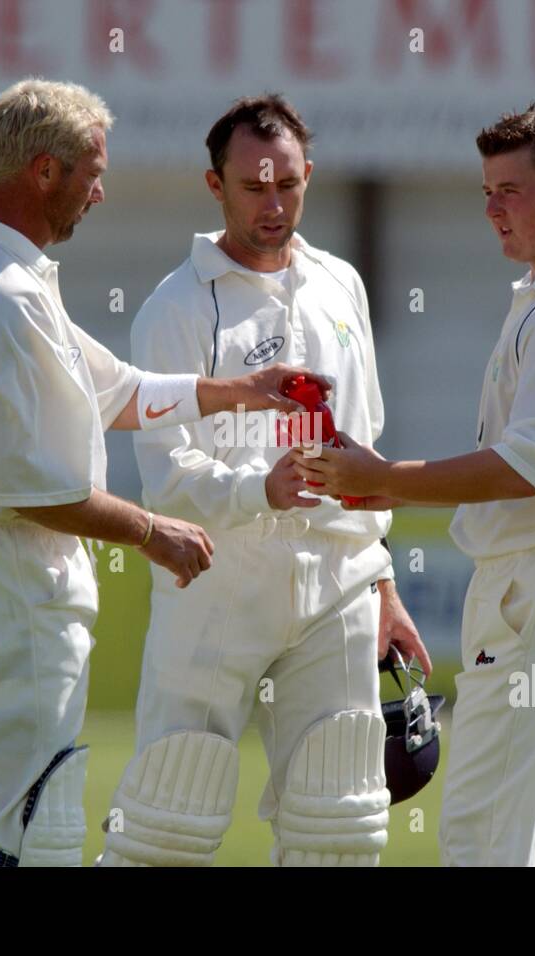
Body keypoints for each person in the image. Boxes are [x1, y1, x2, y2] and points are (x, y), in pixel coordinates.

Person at [0, 78, 325, 868]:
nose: (100, 189)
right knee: (31, 832)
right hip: (8, 582)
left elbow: (114, 388)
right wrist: (154, 532)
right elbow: (37, 489)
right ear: (44, 171)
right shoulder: (4, 296)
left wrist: (236, 391)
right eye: (91, 170)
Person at [292, 103, 535, 866]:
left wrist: (385, 480)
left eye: (511, 189)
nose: (493, 209)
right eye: (486, 191)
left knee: (481, 833)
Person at [98, 94, 429, 868]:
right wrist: (259, 490)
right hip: (218, 580)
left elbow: (367, 444)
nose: (273, 204)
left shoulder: (342, 284)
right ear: (215, 186)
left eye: (287, 184)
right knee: (166, 826)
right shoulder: (176, 307)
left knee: (340, 823)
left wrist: (383, 585)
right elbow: (167, 472)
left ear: (308, 175)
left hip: (338, 582)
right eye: (253, 187)